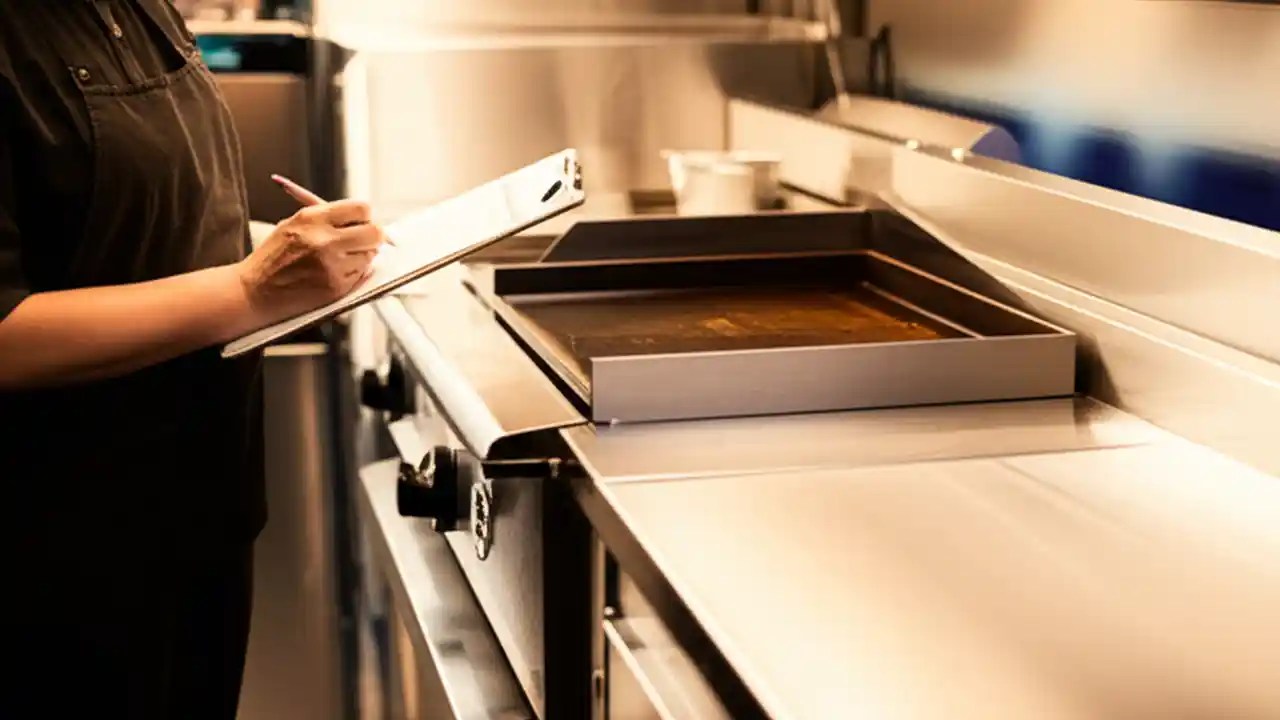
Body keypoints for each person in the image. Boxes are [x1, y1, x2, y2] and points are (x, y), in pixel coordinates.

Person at [0, 2, 385, 717]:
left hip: (197, 519)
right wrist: (250, 287)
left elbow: (135, 214)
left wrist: (297, 256)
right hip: (57, 563)